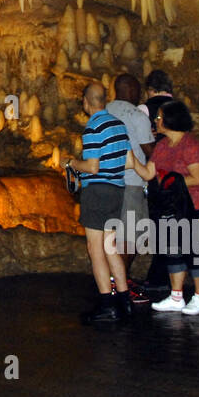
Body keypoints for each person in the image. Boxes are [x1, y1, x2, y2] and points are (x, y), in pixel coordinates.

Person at [64, 82, 149, 324]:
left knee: (95, 248)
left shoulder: (93, 127)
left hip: (97, 192)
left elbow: (92, 166)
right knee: (110, 246)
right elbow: (125, 160)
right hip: (116, 190)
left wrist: (71, 163)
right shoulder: (119, 125)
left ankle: (106, 304)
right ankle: (124, 301)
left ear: (86, 102)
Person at [146, 101, 199, 315]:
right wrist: (131, 162)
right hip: (172, 206)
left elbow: (198, 178)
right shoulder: (163, 145)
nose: (156, 120)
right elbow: (149, 173)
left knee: (196, 250)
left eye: (159, 117)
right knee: (173, 249)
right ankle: (176, 296)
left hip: (195, 204)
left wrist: (171, 181)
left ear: (171, 120)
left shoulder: (190, 145)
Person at [107, 74, 155, 305]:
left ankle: (115, 282)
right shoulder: (137, 117)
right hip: (131, 182)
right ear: (132, 91)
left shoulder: (103, 111)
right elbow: (150, 151)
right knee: (130, 239)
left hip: (106, 183)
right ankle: (120, 284)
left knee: (113, 237)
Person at [140, 69, 176, 290]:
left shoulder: (144, 109)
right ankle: (168, 276)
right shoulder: (180, 109)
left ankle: (158, 278)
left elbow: (138, 137)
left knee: (158, 222)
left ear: (150, 90)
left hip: (156, 173)